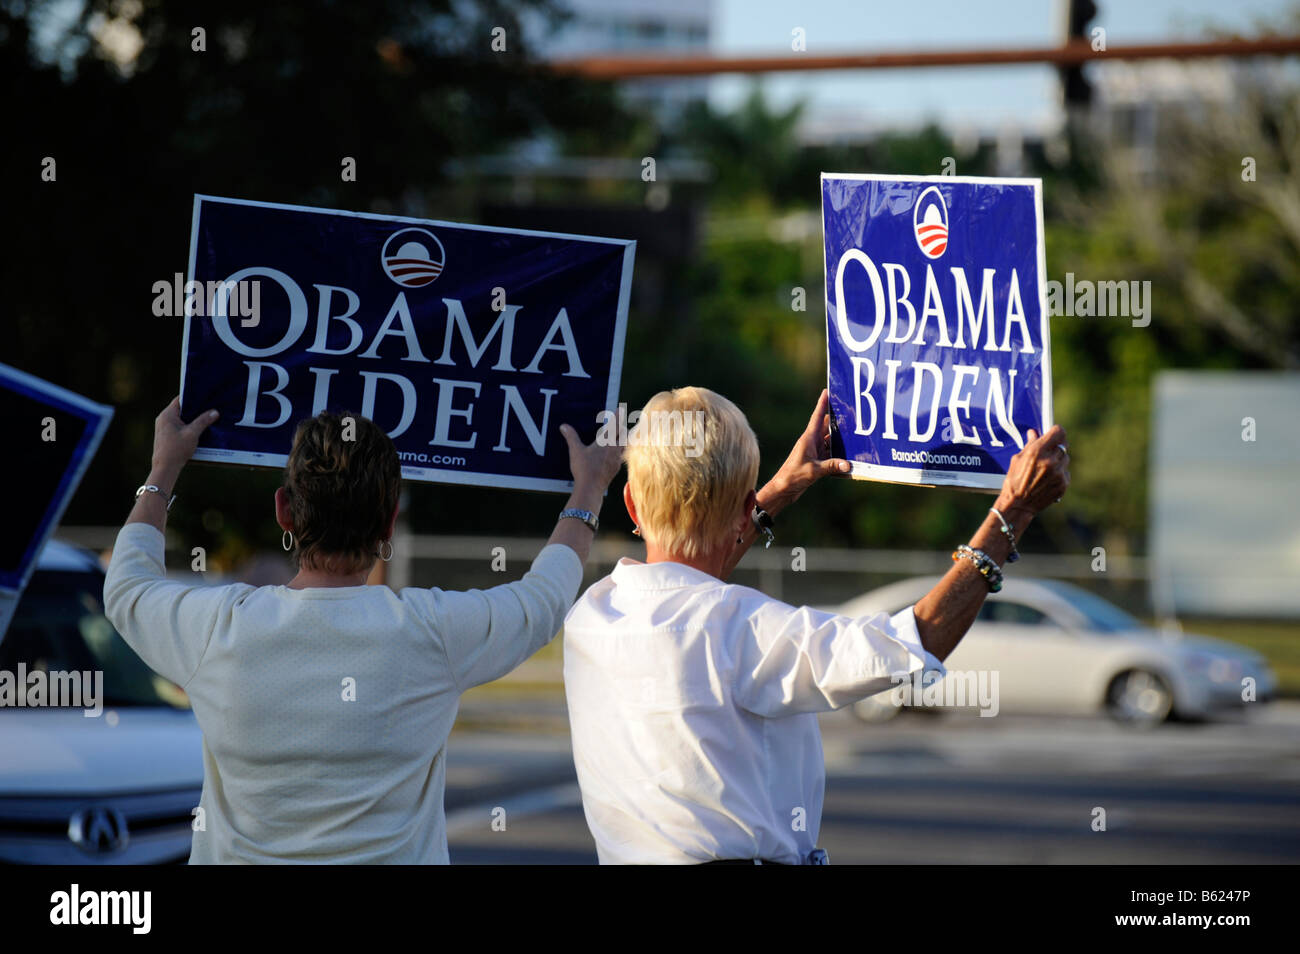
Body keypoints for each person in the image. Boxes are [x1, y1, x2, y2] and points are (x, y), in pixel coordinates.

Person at [562, 386, 1069, 865]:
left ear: (631, 502)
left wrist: (777, 490)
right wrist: (1012, 511)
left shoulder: (591, 616)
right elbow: (915, 640)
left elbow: (685, 586)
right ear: (744, 510)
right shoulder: (745, 628)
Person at [104, 397, 622, 863]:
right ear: (390, 520)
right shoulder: (433, 633)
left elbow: (125, 588)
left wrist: (163, 468)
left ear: (284, 511)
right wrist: (588, 488)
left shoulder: (217, 629)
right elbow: (543, 599)